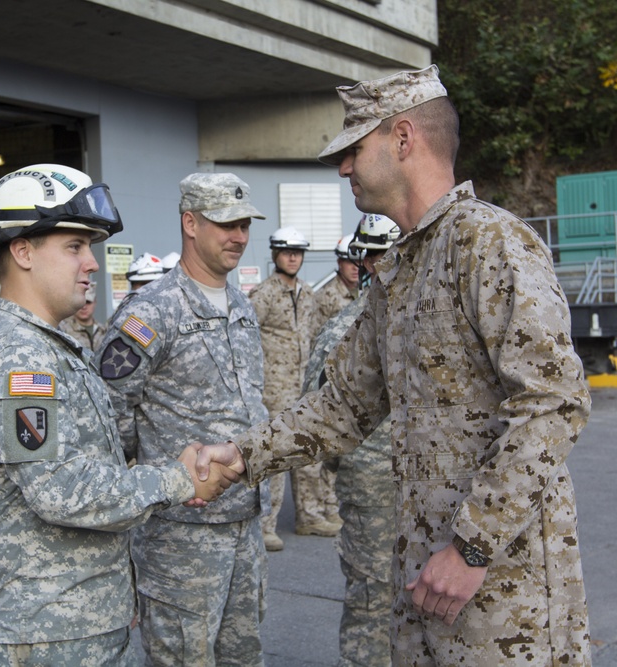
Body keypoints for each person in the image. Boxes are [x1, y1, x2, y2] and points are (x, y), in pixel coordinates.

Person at [198, 64, 593, 666]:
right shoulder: (398, 274)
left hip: (500, 592)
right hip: (418, 579)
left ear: (403, 139)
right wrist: (243, 456)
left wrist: (472, 547)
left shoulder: (488, 243)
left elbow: (554, 401)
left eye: (354, 149)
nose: (344, 168)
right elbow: (344, 405)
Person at [0, 163, 231, 666]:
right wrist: (177, 479)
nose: (93, 263)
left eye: (91, 248)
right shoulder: (19, 358)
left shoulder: (53, 346)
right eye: (75, 247)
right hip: (45, 631)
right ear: (23, 251)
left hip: (76, 621)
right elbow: (61, 491)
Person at [95, 172, 270, 666]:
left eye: (244, 224)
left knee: (244, 654)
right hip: (181, 531)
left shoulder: (241, 306)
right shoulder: (150, 313)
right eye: (225, 224)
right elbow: (110, 414)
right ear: (190, 223)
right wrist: (150, 480)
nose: (238, 235)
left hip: (245, 524)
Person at [302, 214, 398, 667]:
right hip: (372, 496)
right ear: (366, 261)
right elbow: (317, 417)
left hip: (436, 494)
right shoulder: (344, 329)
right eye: (380, 255)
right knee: (373, 611)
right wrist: (358, 468)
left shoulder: (438, 318)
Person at [247, 225, 336, 552]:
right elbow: (247, 340)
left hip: (303, 386)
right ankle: (267, 525)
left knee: (309, 450)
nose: (293, 258)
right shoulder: (264, 294)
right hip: (273, 390)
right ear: (275, 255)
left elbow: (313, 337)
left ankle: (309, 516)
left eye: (298, 253)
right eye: (287, 252)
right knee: (275, 456)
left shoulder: (307, 293)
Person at [314, 233, 359, 326]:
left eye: (359, 262)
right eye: (350, 262)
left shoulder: (367, 291)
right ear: (340, 263)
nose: (356, 268)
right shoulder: (326, 296)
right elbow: (315, 333)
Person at [58, 280, 106, 352]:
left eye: (88, 302)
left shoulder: (103, 330)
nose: (84, 307)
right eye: (80, 302)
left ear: (95, 302)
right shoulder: (62, 329)